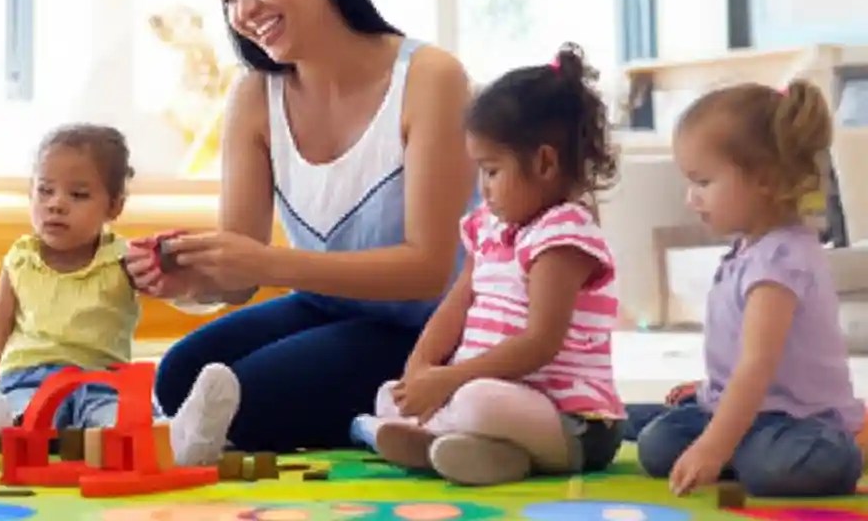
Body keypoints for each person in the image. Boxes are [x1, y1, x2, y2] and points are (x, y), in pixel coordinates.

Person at [125, 0, 475, 452]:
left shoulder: (431, 78)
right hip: (325, 306)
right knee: (178, 377)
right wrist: (193, 278)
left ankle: (419, 411)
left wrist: (267, 261)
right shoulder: (253, 98)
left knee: (248, 403)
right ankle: (374, 414)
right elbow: (241, 276)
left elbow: (429, 270)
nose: (244, 10)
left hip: (426, 328)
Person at [350, 45, 625, 485]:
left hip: (571, 422)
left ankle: (446, 434)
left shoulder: (564, 236)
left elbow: (540, 343)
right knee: (394, 393)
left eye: (491, 171)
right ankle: (483, 453)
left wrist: (449, 381)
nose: (484, 187)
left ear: (545, 163)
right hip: (495, 398)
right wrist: (421, 369)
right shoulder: (487, 228)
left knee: (478, 403)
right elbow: (455, 307)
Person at [0, 124, 241, 469]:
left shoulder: (124, 258)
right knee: (9, 415)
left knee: (123, 425)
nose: (56, 205)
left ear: (114, 207)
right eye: (45, 191)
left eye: (78, 195)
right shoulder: (20, 261)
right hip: (29, 380)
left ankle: (183, 439)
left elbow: (179, 298)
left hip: (103, 381)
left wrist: (184, 280)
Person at [635, 81, 865, 497]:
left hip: (798, 422)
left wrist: (713, 446)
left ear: (763, 179)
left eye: (703, 182)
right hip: (745, 413)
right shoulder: (747, 248)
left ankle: (849, 447)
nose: (692, 199)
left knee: (773, 470)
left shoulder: (782, 260)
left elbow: (756, 366)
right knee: (657, 445)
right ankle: (730, 444)